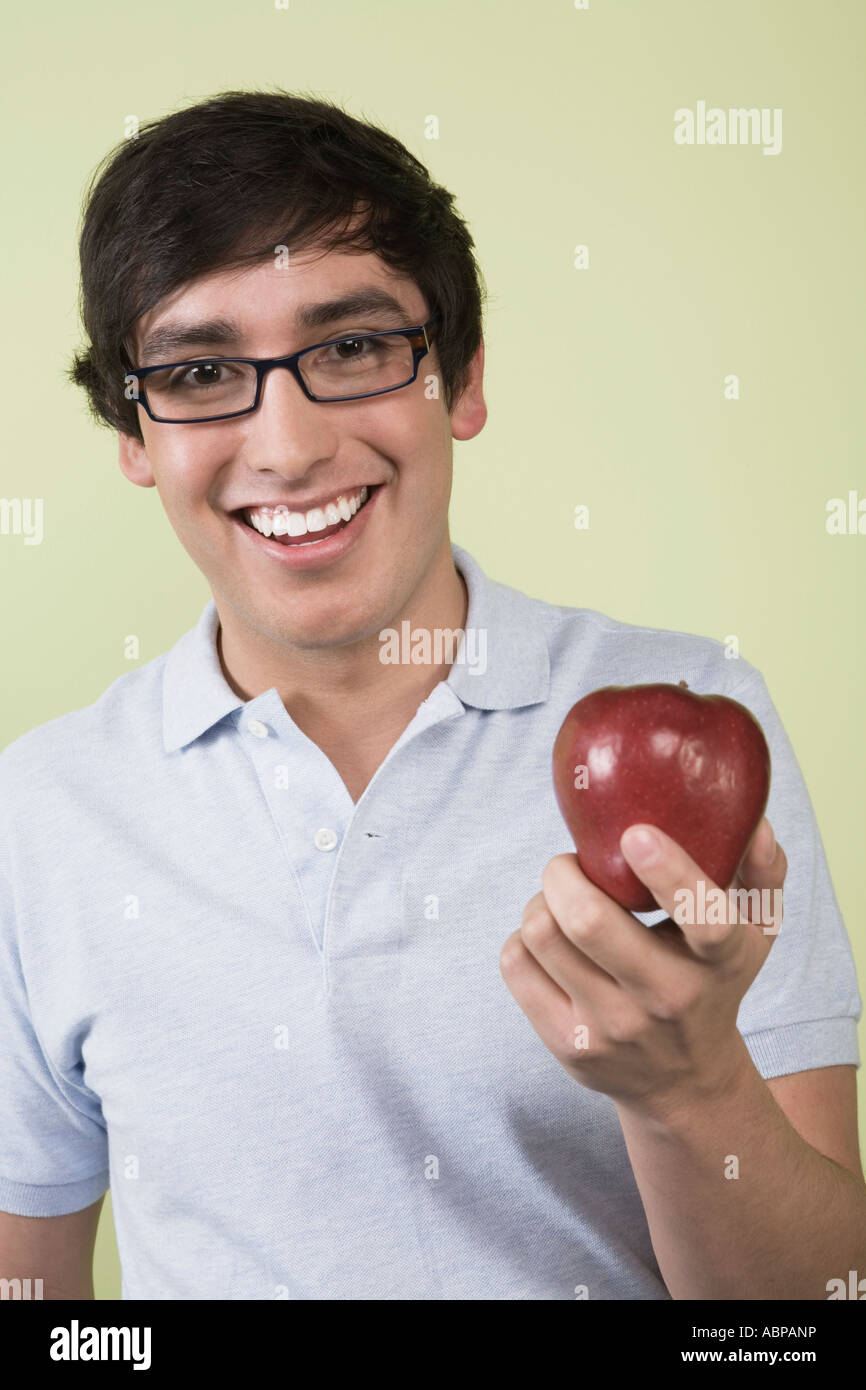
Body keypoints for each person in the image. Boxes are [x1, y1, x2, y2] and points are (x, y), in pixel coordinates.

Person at [0, 89, 862, 1302]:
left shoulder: (702, 719)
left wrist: (690, 1088)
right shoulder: (41, 811)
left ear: (457, 380)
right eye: (199, 370)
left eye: (351, 348)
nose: (287, 445)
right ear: (134, 435)